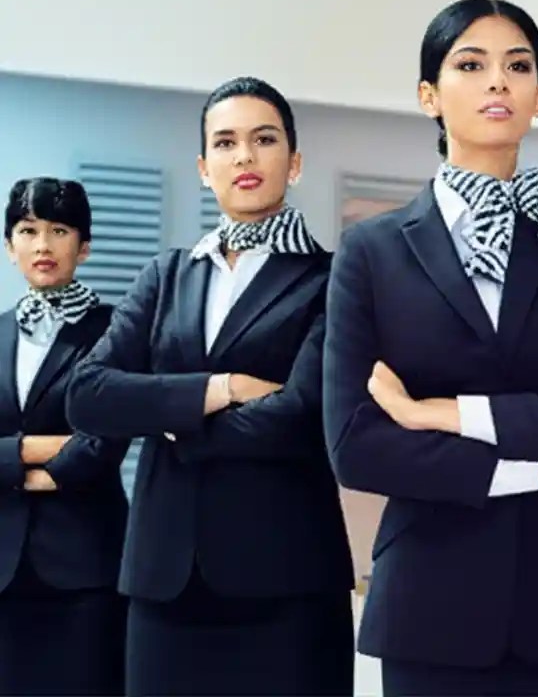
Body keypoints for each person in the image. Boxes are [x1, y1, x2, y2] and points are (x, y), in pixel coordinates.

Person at [322, 0, 538, 697]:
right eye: (470, 64)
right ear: (429, 96)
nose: (498, 82)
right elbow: (357, 444)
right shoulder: (372, 252)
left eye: (518, 66)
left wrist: (439, 414)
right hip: (429, 608)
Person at [66, 77, 354, 696]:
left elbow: (300, 416)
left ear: (295, 162)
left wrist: (166, 418)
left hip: (288, 583)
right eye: (225, 142)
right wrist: (217, 389)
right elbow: (88, 394)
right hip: (164, 586)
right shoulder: (164, 276)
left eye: (264, 139)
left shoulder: (334, 279)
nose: (244, 156)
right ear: (204, 168)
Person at [0, 177, 129, 695]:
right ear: (11, 247)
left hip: (86, 569)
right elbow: (75, 441)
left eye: (59, 230)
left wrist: (7, 469)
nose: (43, 245)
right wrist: (40, 453)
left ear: (85, 245)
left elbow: (99, 447)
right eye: (28, 231)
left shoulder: (116, 331)